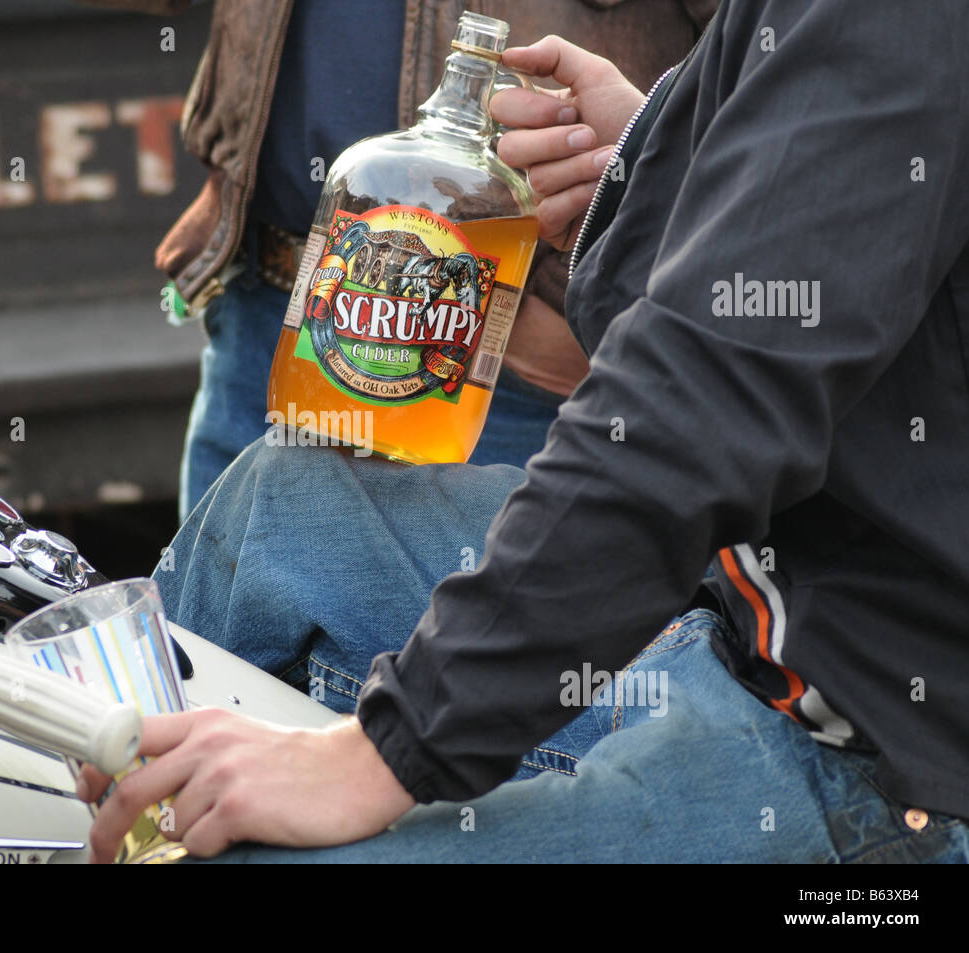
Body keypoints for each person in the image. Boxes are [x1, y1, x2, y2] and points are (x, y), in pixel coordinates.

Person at [79, 0, 969, 863]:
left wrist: (384, 751)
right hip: (753, 618)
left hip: (873, 758)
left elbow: (699, 407)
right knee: (282, 501)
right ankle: (113, 808)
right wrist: (652, 157)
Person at [86, 0, 715, 518]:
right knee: (217, 655)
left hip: (501, 371)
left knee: (439, 658)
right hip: (269, 328)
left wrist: (649, 163)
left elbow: (778, 89)